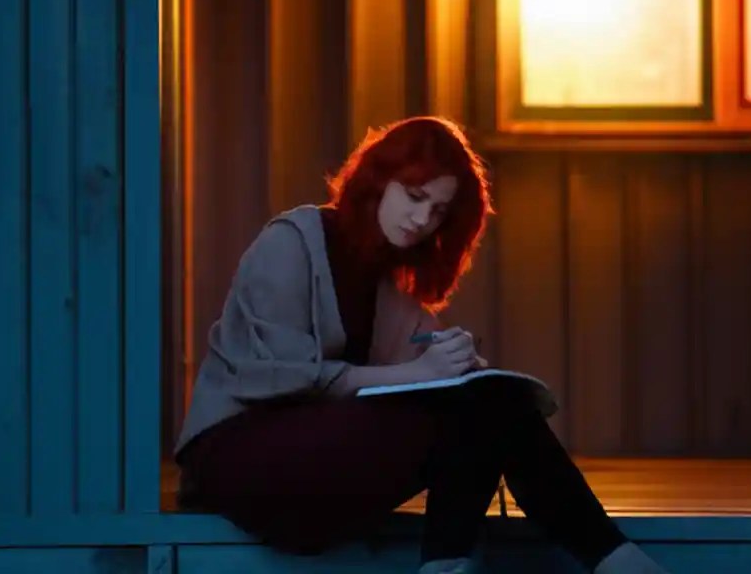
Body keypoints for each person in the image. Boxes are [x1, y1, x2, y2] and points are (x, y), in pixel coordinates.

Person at [174, 116, 668, 574]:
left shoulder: (385, 283)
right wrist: (420, 375)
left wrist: (454, 367)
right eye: (413, 196)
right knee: (481, 408)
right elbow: (281, 381)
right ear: (377, 180)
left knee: (489, 402)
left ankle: (466, 563)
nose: (421, 219)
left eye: (436, 211)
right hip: (240, 461)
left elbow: (420, 376)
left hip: (314, 463)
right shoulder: (290, 242)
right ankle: (612, 558)